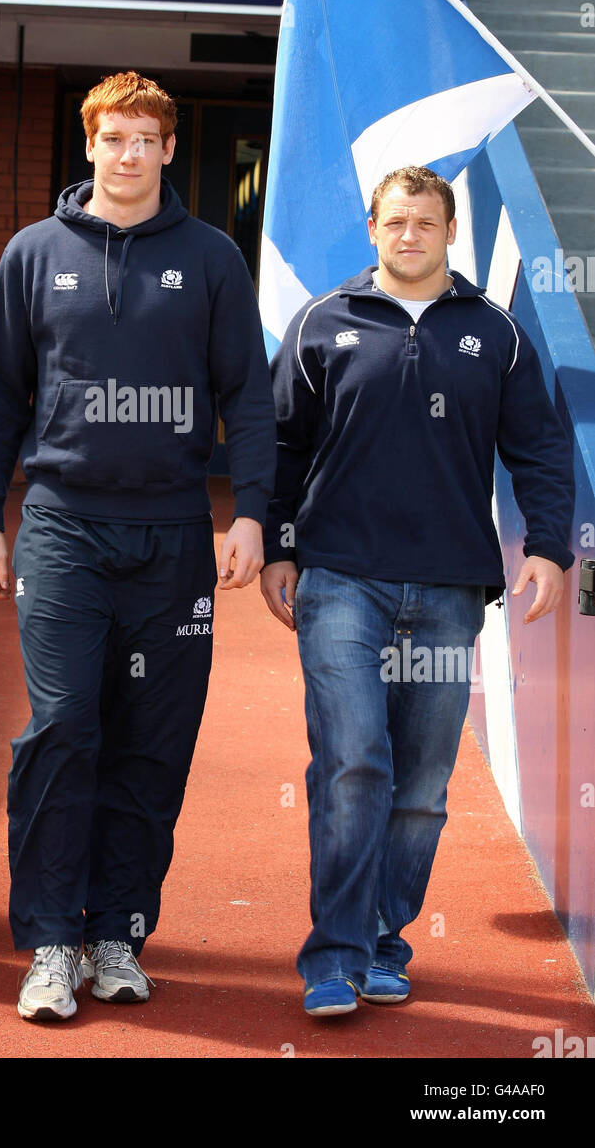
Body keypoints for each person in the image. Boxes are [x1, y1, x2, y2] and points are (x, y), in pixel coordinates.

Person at [0, 70, 276, 1021]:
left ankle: (117, 933)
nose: (129, 152)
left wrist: (254, 512)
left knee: (153, 739)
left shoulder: (214, 258)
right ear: (89, 143)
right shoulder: (32, 252)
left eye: (147, 137)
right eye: (113, 137)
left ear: (170, 149)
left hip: (174, 531)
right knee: (62, 727)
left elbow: (248, 398)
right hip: (61, 526)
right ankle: (52, 941)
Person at [260, 164, 575, 1017]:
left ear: (446, 233)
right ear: (373, 229)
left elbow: (541, 450)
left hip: (446, 586)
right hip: (338, 581)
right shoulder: (324, 322)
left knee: (422, 785)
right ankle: (333, 955)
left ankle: (384, 937)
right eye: (395, 221)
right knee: (353, 761)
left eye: (425, 223)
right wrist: (279, 546)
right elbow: (278, 446)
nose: (409, 235)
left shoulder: (495, 334)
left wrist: (548, 548)